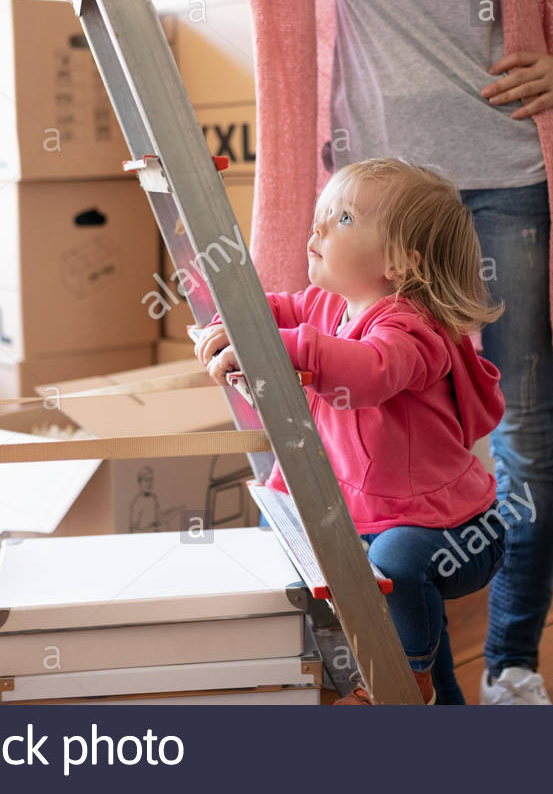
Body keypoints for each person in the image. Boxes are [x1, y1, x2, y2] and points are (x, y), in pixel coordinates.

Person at [94, 0, 553, 704]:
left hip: (504, 178)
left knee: (524, 426)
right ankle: (396, 632)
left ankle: (513, 665)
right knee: (364, 402)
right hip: (364, 201)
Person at [194, 158, 507, 705]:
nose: (317, 229)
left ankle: (401, 676)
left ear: (401, 261)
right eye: (321, 214)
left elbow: (370, 372)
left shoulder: (413, 325)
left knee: (399, 566)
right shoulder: (326, 304)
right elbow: (274, 309)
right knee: (384, 589)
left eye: (342, 219)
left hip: (452, 529)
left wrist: (280, 346)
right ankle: (431, 688)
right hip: (374, 520)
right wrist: (234, 323)